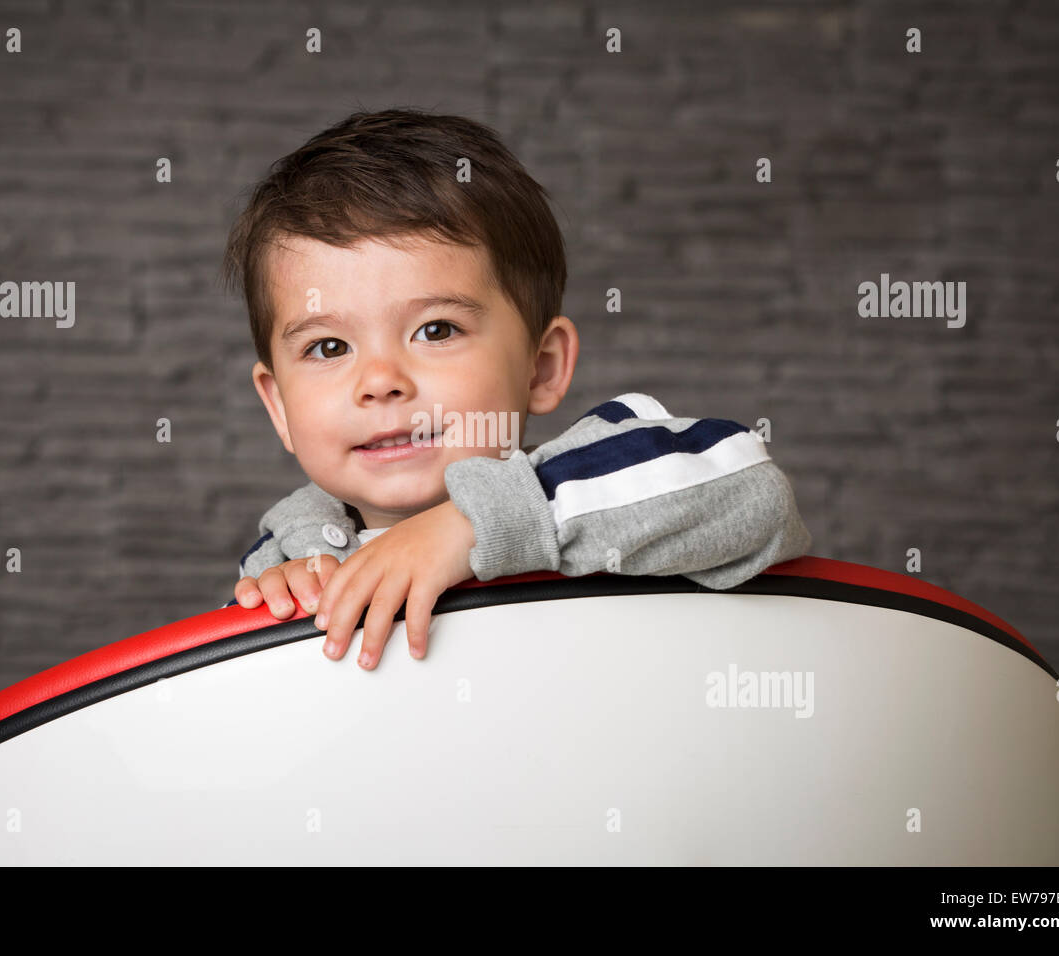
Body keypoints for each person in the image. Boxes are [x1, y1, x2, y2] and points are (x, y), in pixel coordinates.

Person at [217, 108, 811, 671]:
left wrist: (473, 524)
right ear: (279, 406)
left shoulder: (603, 482)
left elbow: (748, 491)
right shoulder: (286, 564)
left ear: (542, 367)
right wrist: (266, 632)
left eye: (436, 330)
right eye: (329, 347)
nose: (380, 383)